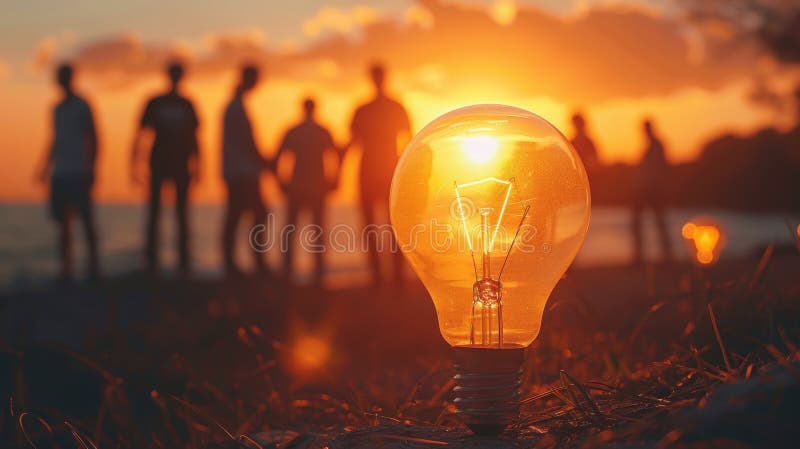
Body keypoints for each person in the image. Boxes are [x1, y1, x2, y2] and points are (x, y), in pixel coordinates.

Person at [341, 63, 411, 288]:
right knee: (380, 225)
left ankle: (389, 278)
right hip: (379, 170)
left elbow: (409, 141)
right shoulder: (384, 107)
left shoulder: (378, 108)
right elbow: (352, 142)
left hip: (385, 169)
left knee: (389, 225)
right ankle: (382, 277)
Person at [130, 61, 199, 276]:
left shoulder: (188, 104)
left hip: (180, 165)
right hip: (159, 163)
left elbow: (195, 138)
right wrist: (134, 164)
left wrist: (198, 166)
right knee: (155, 214)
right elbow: (140, 135)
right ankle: (151, 263)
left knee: (181, 214)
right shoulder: (155, 102)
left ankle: (184, 264)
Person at [36, 63, 99, 282]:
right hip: (60, 173)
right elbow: (55, 139)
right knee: (63, 224)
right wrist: (44, 167)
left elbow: (95, 136)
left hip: (79, 171)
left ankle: (93, 268)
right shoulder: (56, 109)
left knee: (86, 221)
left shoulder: (83, 105)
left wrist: (93, 167)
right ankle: (67, 269)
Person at [274, 97, 339, 286]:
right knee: (316, 232)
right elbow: (334, 156)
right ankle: (318, 275)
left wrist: (281, 182)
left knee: (291, 231)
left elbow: (279, 157)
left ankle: (288, 272)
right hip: (315, 187)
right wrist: (335, 180)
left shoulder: (295, 131)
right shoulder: (321, 131)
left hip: (299, 187)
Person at [221, 64, 271, 277]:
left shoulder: (237, 106)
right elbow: (247, 142)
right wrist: (266, 162)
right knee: (254, 214)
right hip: (242, 173)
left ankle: (240, 262)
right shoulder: (236, 108)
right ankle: (250, 262)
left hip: (242, 172)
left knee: (243, 215)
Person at [631, 119, 673, 265]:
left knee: (657, 221)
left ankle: (665, 256)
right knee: (647, 221)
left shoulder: (656, 145)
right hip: (645, 188)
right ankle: (642, 256)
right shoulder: (651, 145)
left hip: (652, 188)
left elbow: (661, 167)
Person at [569, 112, 600, 176]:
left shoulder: (588, 142)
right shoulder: (571, 142)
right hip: (576, 173)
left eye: (578, 124)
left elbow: (594, 160)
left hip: (589, 175)